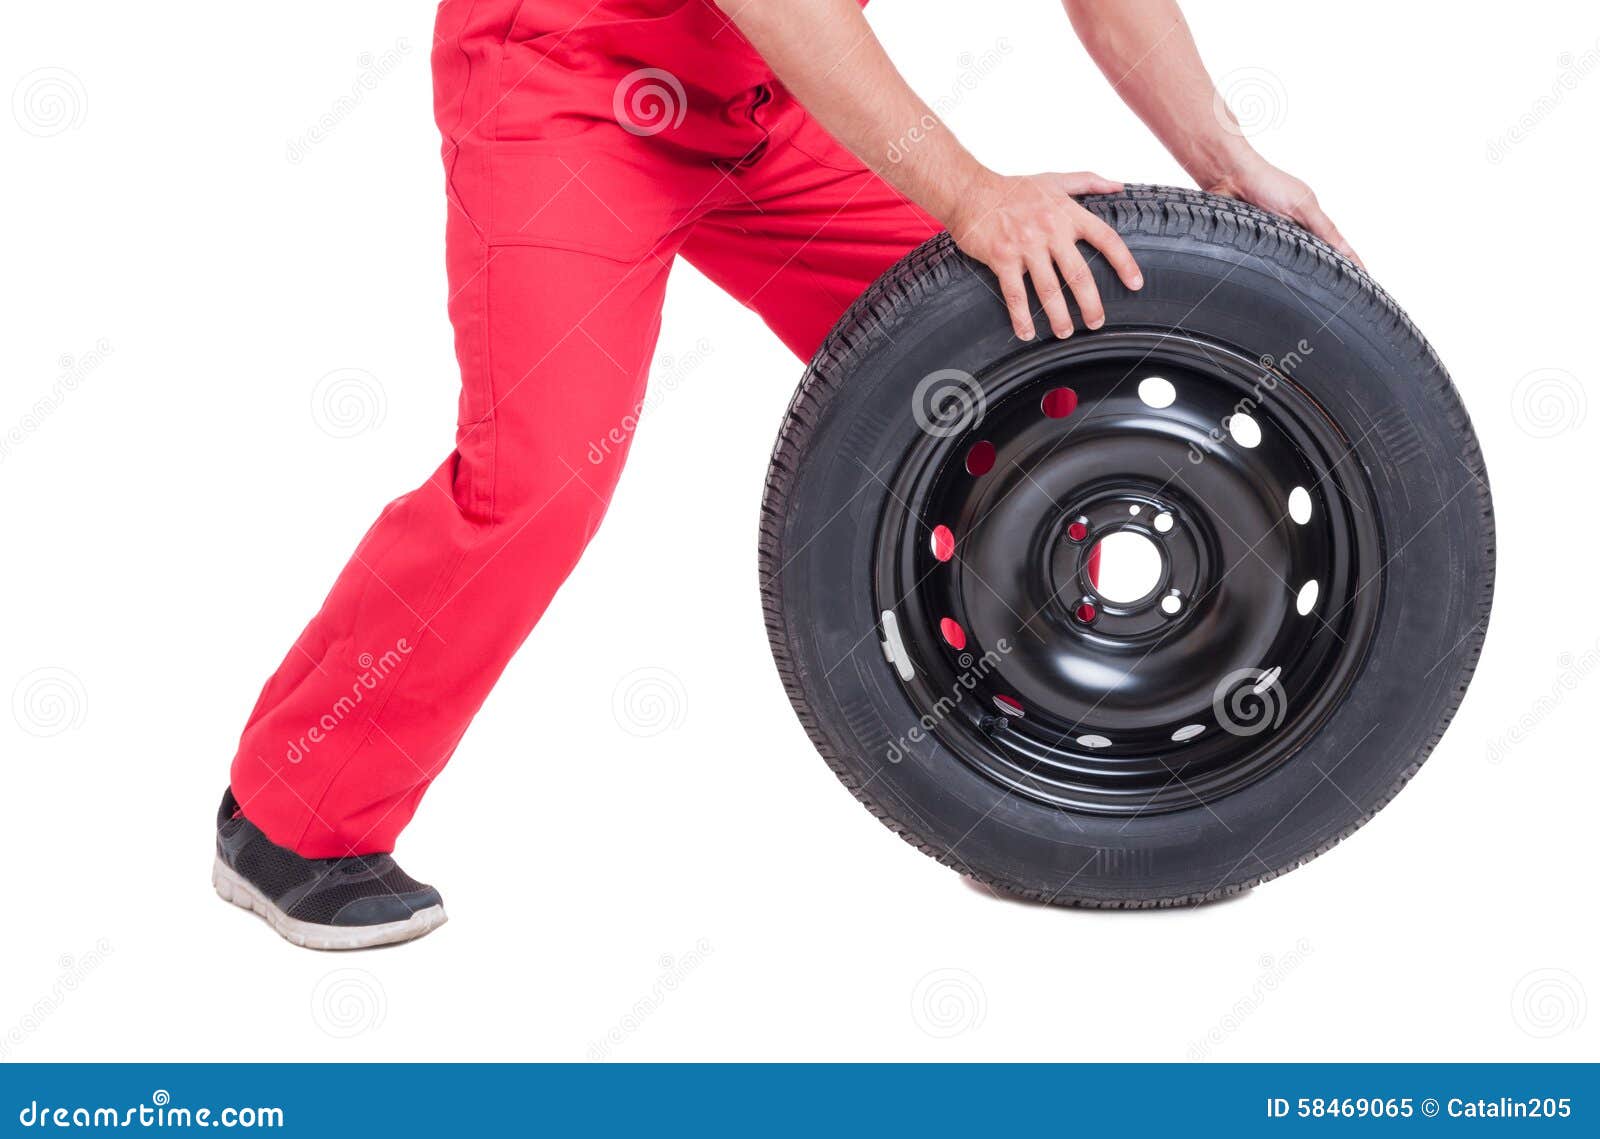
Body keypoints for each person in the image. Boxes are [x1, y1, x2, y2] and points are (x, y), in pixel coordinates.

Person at [214, 0, 1359, 948]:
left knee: (1029, 354)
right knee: (542, 481)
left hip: (766, 102)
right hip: (569, 85)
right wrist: (969, 193)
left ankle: (1037, 785)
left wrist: (1229, 163)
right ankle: (292, 820)